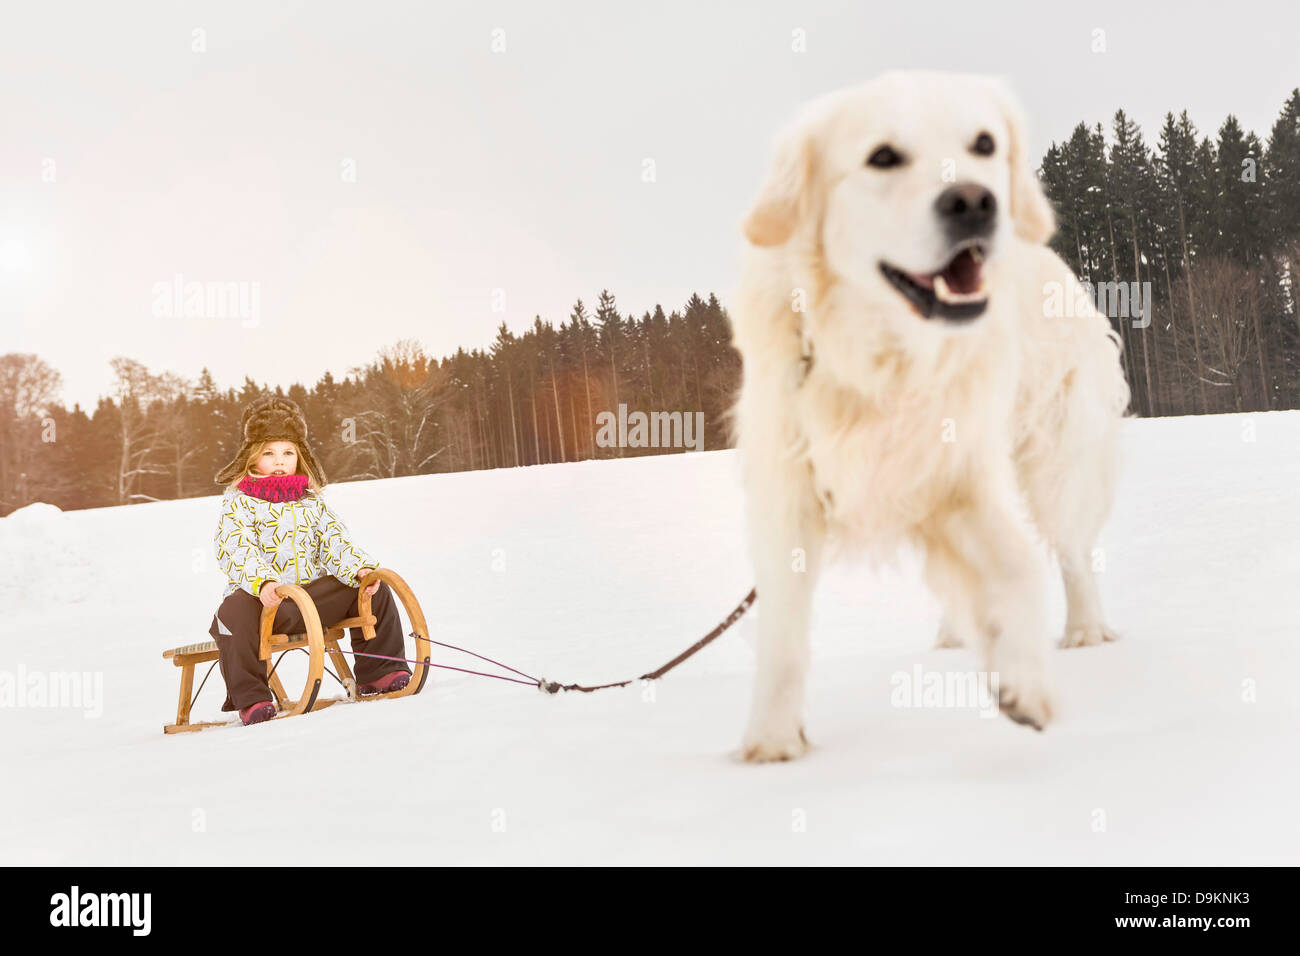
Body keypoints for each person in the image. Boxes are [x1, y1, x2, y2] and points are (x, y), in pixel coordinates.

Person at [207, 395, 411, 725]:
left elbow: (335, 541)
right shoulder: (239, 503)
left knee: (373, 588)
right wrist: (265, 583)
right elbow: (236, 549)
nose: (279, 461)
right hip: (270, 605)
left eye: (288, 453)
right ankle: (253, 698)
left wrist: (359, 568)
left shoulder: (311, 503)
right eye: (268, 453)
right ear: (252, 457)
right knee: (231, 613)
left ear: (299, 456)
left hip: (312, 600)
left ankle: (380, 670)